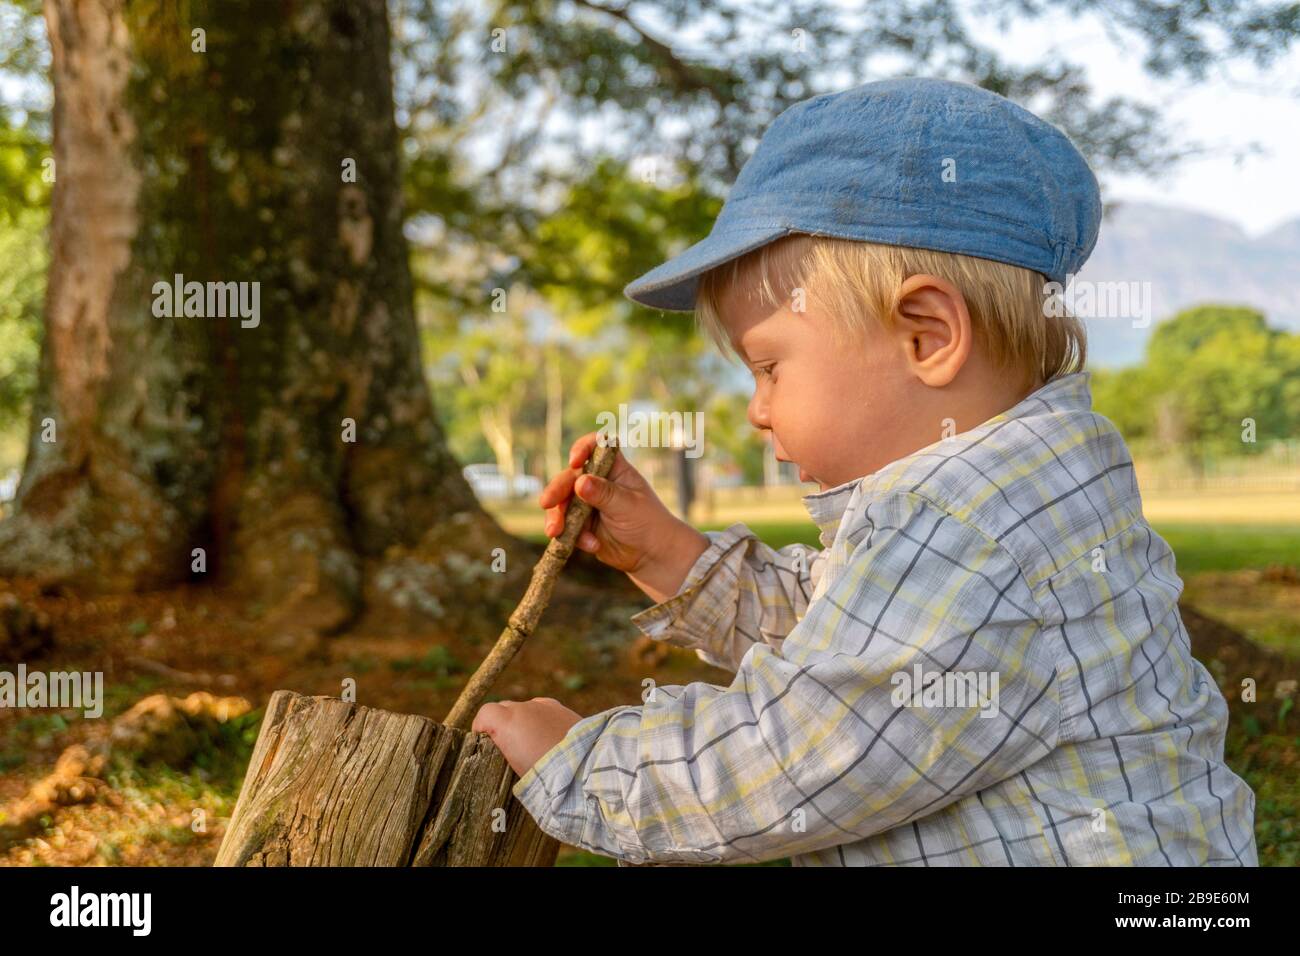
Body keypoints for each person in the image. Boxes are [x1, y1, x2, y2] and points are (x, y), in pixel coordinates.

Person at [471, 77, 1257, 866]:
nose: (758, 410)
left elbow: (790, 765)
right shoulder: (1010, 491)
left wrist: (581, 760)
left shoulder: (968, 527)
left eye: (770, 367)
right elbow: (848, 638)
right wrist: (667, 556)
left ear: (925, 336)